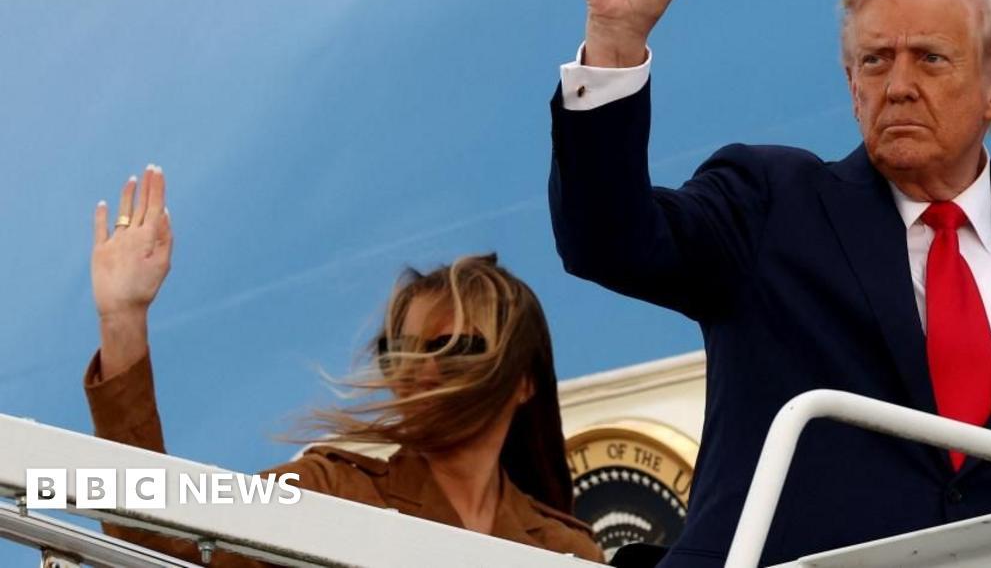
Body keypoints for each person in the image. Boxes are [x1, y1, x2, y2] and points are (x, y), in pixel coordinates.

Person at [548, 0, 991, 567]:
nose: (898, 85)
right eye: (876, 60)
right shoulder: (771, 202)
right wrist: (615, 44)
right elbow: (610, 240)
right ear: (853, 86)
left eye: (930, 58)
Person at [86, 165, 604, 566]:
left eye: (451, 346)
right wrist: (123, 320)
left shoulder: (566, 553)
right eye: (398, 350)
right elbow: (160, 540)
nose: (419, 366)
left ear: (524, 382)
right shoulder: (330, 492)